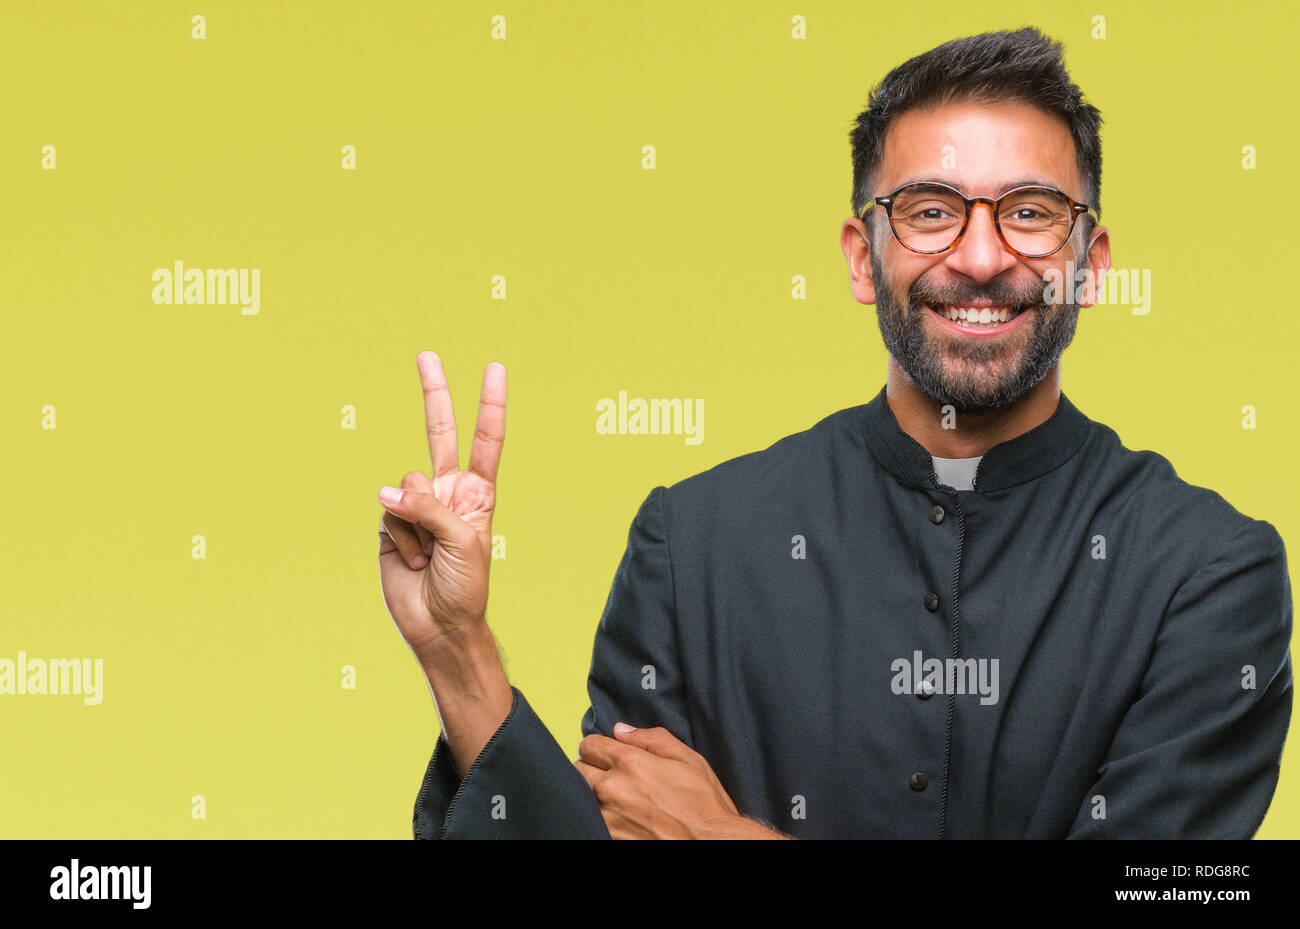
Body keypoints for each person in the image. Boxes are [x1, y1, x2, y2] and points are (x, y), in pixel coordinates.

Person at [377, 26, 1293, 839]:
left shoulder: (1212, 575)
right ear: (864, 257)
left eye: (1030, 212)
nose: (981, 257)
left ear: (1087, 263)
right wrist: (459, 654)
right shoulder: (692, 545)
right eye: (932, 211)